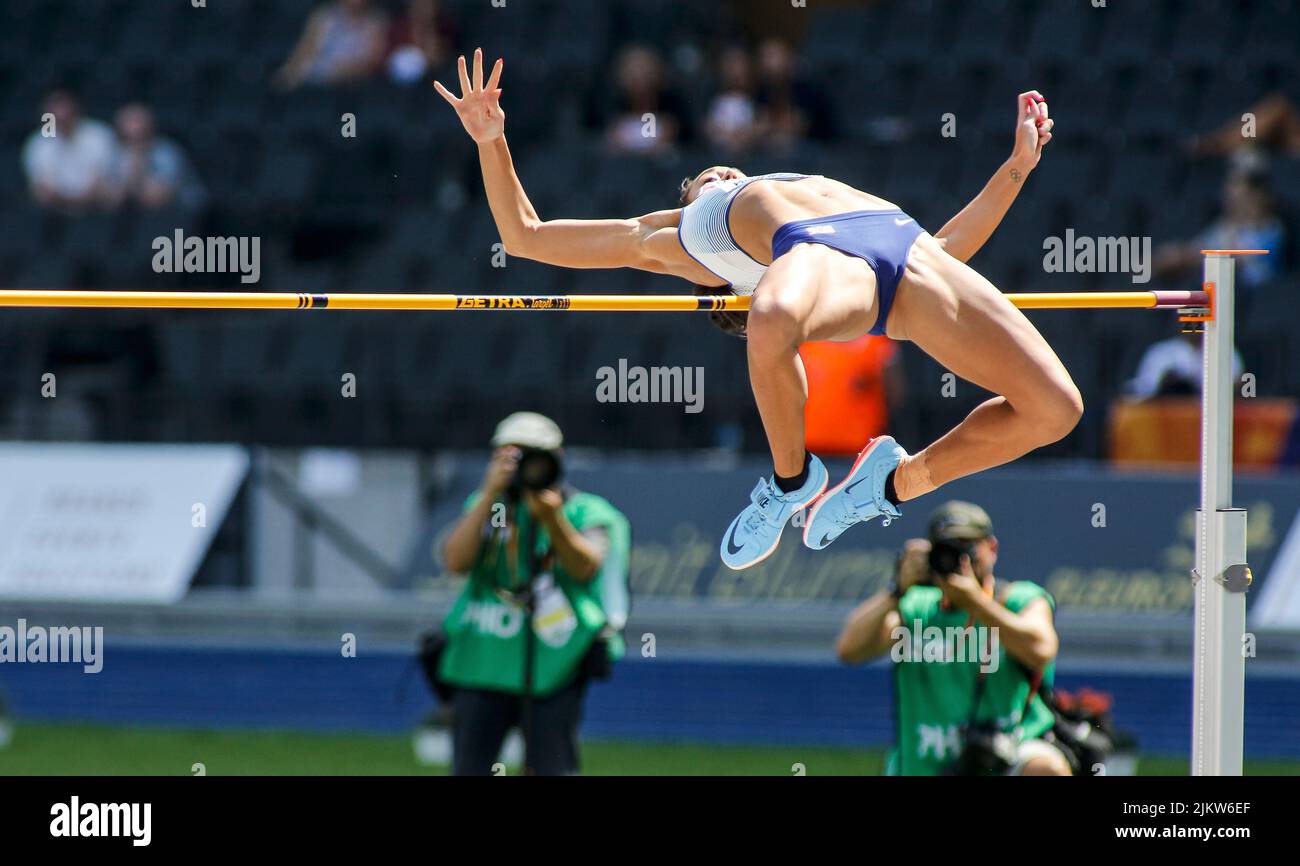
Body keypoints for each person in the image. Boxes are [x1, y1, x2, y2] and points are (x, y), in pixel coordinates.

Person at [436, 49, 1080, 571]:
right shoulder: (679, 241)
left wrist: (1017, 167)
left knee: (1056, 409)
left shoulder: (775, 202)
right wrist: (492, 142)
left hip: (908, 254)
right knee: (773, 324)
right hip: (823, 263)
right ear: (722, 282)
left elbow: (947, 248)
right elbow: (526, 237)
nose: (707, 176)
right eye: (692, 185)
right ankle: (790, 480)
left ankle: (893, 483)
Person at [437, 412, 631, 775]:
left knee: (551, 769)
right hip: (484, 659)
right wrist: (489, 493)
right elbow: (455, 560)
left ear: (556, 460)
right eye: (512, 456)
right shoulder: (490, 509)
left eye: (534, 456)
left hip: (555, 664)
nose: (524, 466)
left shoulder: (585, 511)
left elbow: (586, 566)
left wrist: (551, 518)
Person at [834, 501, 1070, 776]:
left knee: (1045, 769)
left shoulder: (1018, 599)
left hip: (1005, 753)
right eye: (947, 548)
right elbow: (849, 650)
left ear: (992, 548)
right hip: (924, 762)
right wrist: (896, 588)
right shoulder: (916, 606)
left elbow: (1042, 649)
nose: (960, 559)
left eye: (967, 546)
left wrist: (977, 604)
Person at [22, 88, 118, 212]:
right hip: (56, 206)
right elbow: (43, 184)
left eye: (65, 111)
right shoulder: (39, 142)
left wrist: (80, 200)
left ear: (75, 111)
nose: (61, 116)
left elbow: (100, 179)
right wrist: (65, 201)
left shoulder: (98, 135)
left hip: (96, 203)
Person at [106, 104, 206, 212]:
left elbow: (159, 196)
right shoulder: (116, 152)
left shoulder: (166, 152)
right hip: (142, 216)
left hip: (184, 213)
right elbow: (106, 194)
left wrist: (129, 187)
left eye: (137, 121)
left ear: (149, 125)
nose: (133, 127)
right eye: (128, 122)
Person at [273, 0, 390, 90]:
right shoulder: (323, 17)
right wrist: (290, 72)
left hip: (351, 82)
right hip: (317, 74)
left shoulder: (376, 21)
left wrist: (338, 73)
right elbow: (305, 51)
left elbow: (372, 62)